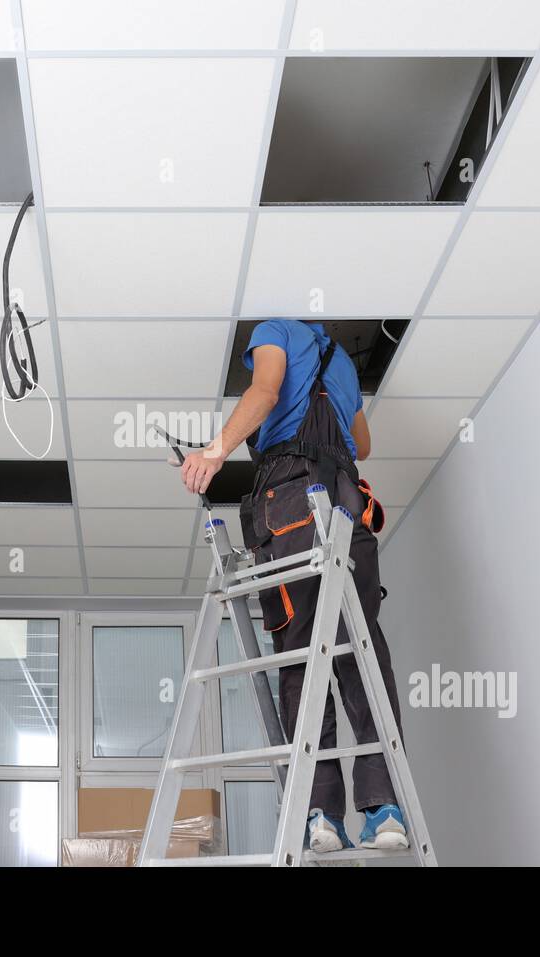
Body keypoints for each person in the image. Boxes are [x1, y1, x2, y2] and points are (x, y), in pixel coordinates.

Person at [175, 319, 408, 852]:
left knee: (303, 653)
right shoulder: (346, 365)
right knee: (360, 649)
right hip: (349, 502)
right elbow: (362, 444)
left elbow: (266, 390)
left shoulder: (273, 329)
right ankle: (385, 808)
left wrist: (213, 452)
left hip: (294, 502)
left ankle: (321, 815)